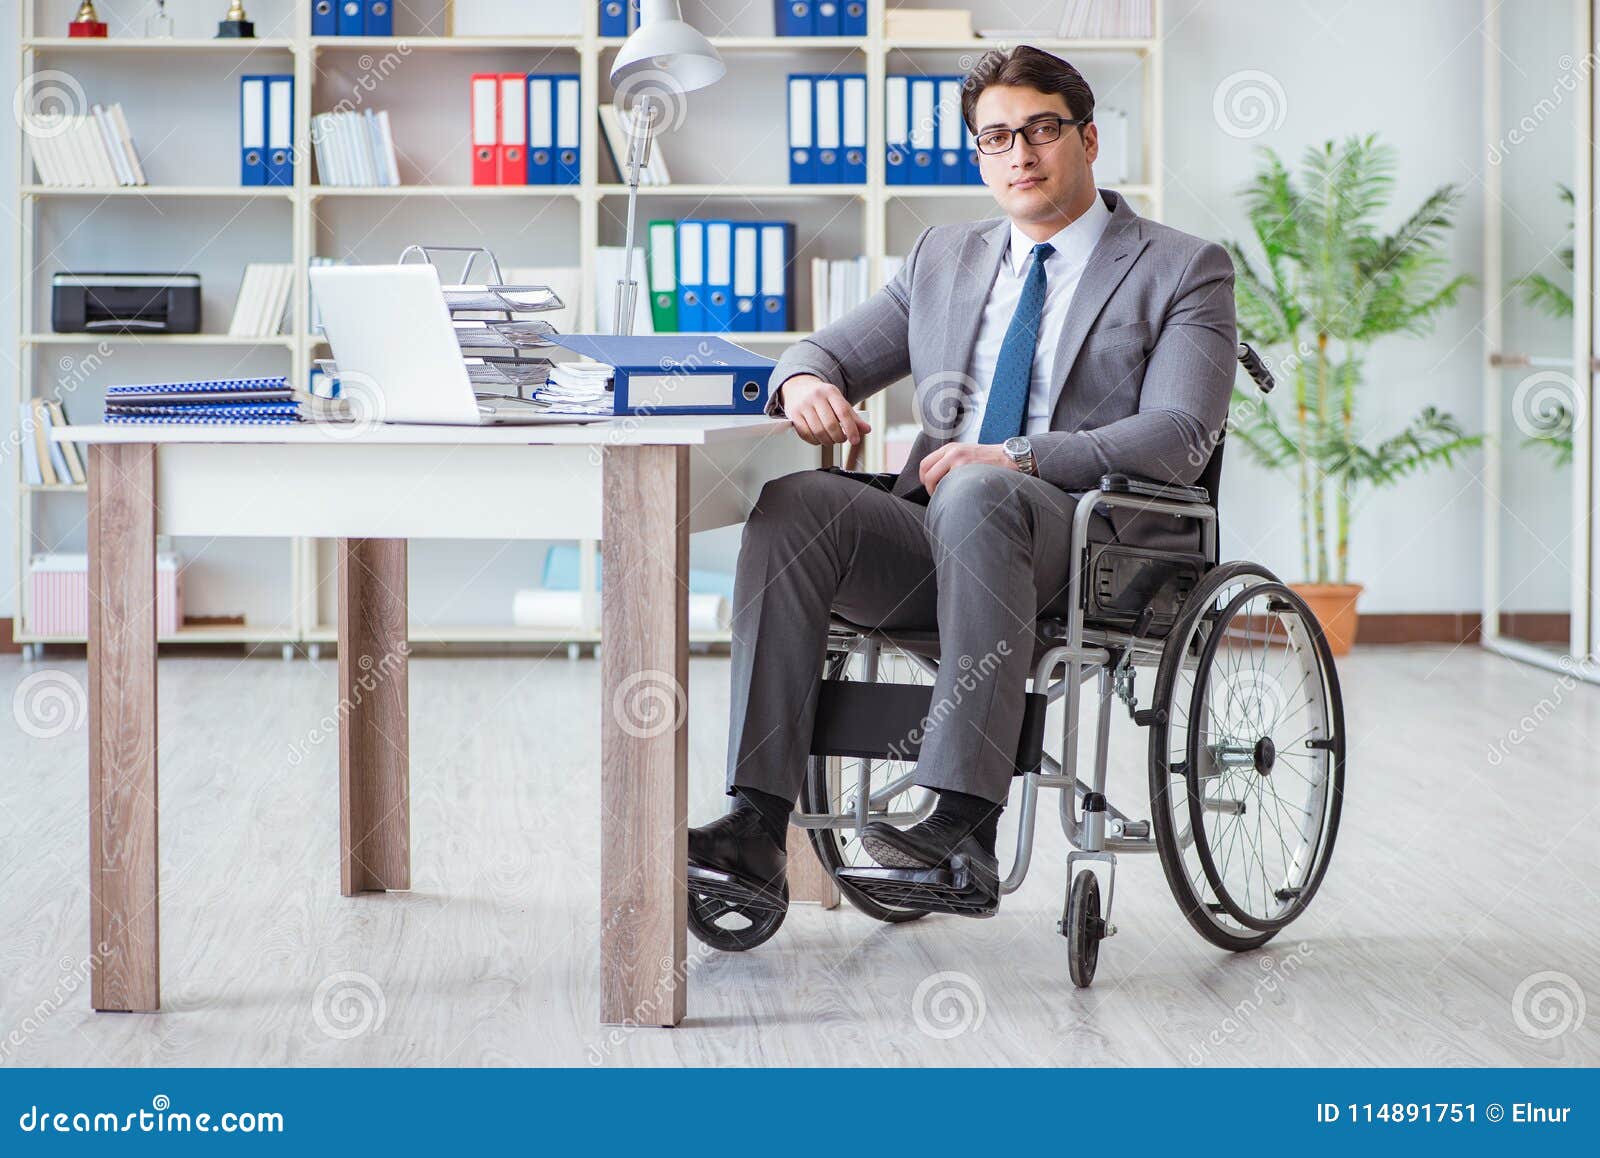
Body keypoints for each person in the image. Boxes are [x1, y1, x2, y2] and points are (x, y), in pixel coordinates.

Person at [689, 45, 1238, 917]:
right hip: (938, 537)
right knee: (795, 505)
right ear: (978, 157)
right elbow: (822, 350)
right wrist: (802, 380)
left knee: (981, 491)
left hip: (1083, 542)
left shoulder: (1181, 266)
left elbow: (1181, 436)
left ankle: (961, 825)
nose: (1019, 153)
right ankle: (755, 825)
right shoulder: (944, 257)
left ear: (1090, 139)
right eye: (996, 138)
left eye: (1042, 130)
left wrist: (1018, 456)